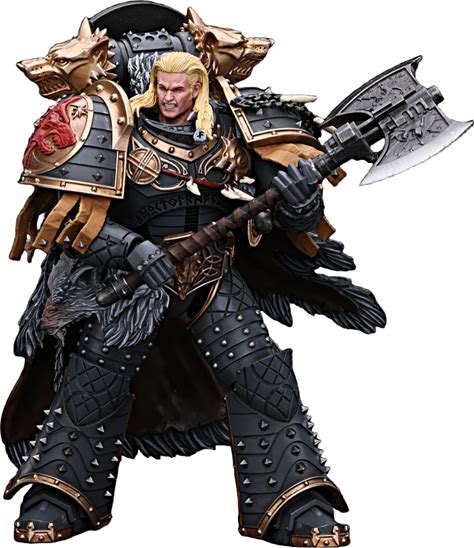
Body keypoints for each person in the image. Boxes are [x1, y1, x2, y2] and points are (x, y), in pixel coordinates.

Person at [2, 22, 386, 547]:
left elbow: (288, 216)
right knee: (94, 378)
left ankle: (294, 499)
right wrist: (131, 248)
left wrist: (301, 199)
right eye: (159, 86)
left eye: (178, 88)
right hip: (129, 285)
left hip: (211, 274)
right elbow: (67, 220)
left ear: (199, 85)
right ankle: (59, 492)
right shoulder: (99, 124)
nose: (167, 98)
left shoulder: (236, 123)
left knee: (262, 375)